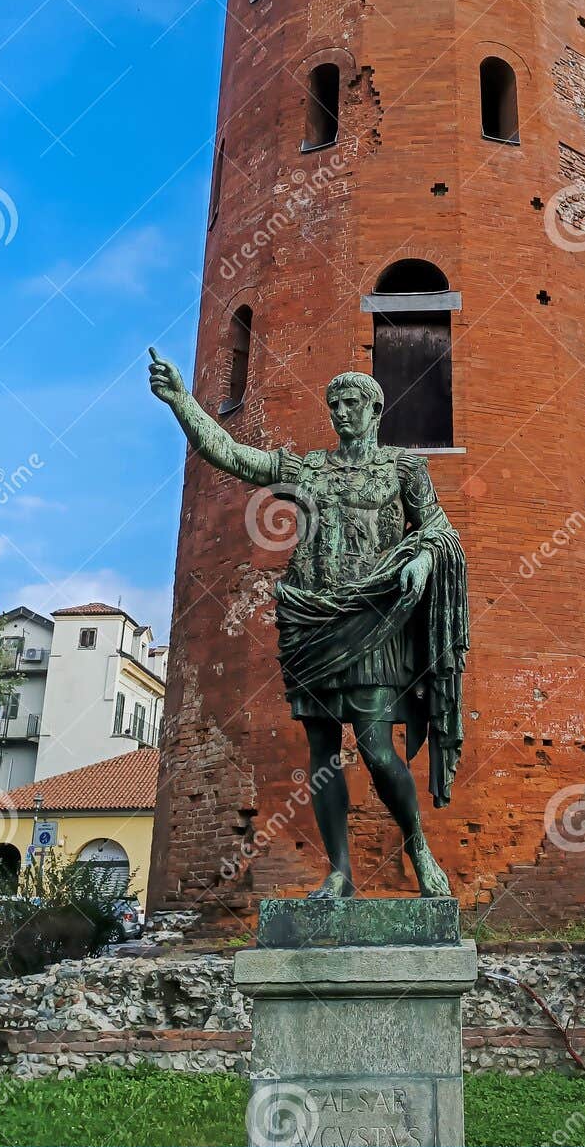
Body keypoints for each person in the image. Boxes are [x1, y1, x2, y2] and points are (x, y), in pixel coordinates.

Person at [149, 352, 468, 898]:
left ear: (374, 409)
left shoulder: (401, 467)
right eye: (334, 405)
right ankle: (339, 873)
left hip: (373, 617)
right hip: (310, 616)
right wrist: (182, 403)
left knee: (374, 746)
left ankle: (416, 844)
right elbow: (232, 455)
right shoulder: (308, 470)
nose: (341, 413)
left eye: (351, 404)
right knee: (321, 751)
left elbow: (439, 527)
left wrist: (419, 557)